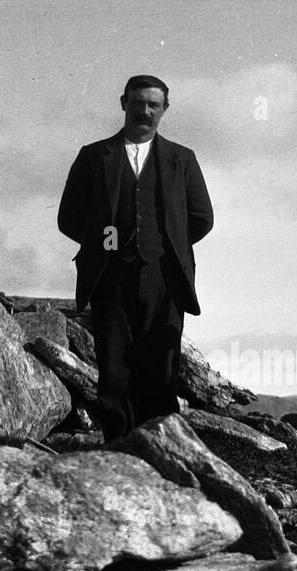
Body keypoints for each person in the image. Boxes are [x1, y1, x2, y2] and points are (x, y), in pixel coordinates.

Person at [58, 74, 213, 441]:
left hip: (166, 280)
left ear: (164, 110)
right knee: (114, 372)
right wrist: (103, 240)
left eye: (153, 105)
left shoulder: (182, 159)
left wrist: (166, 243)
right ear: (123, 101)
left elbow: (202, 218)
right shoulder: (94, 155)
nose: (145, 111)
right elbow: (68, 217)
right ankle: (118, 452)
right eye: (138, 102)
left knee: (161, 369)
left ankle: (162, 454)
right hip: (110, 278)